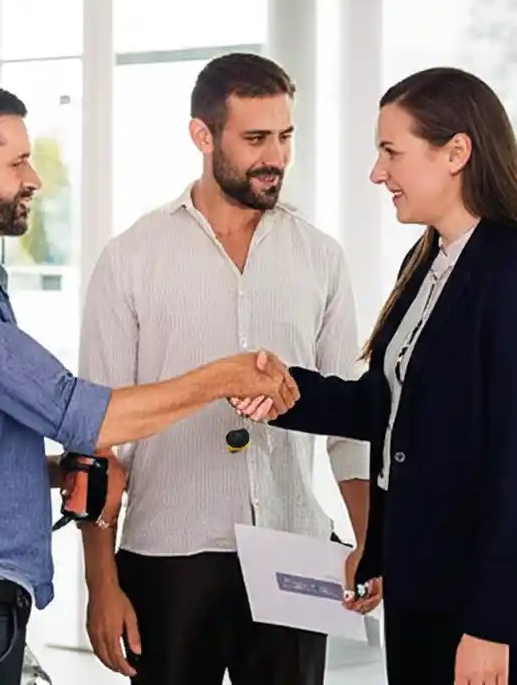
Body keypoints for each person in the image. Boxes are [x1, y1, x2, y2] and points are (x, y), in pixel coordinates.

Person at [0, 80, 301, 685]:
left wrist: (55, 472)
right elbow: (77, 411)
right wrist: (225, 375)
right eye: (17, 161)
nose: (34, 178)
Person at [235, 66, 517, 684]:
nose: (377, 172)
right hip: (423, 585)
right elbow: (389, 407)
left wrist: (491, 626)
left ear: (456, 152)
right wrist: (284, 391)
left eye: (391, 151)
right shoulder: (425, 261)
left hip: (485, 603)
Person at [78, 52, 371, 685]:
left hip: (295, 546)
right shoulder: (131, 258)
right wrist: (100, 581)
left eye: (286, 136)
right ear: (203, 136)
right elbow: (96, 436)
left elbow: (351, 421)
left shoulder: (321, 257)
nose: (277, 156)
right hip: (168, 553)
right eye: (257, 138)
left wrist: (369, 539)